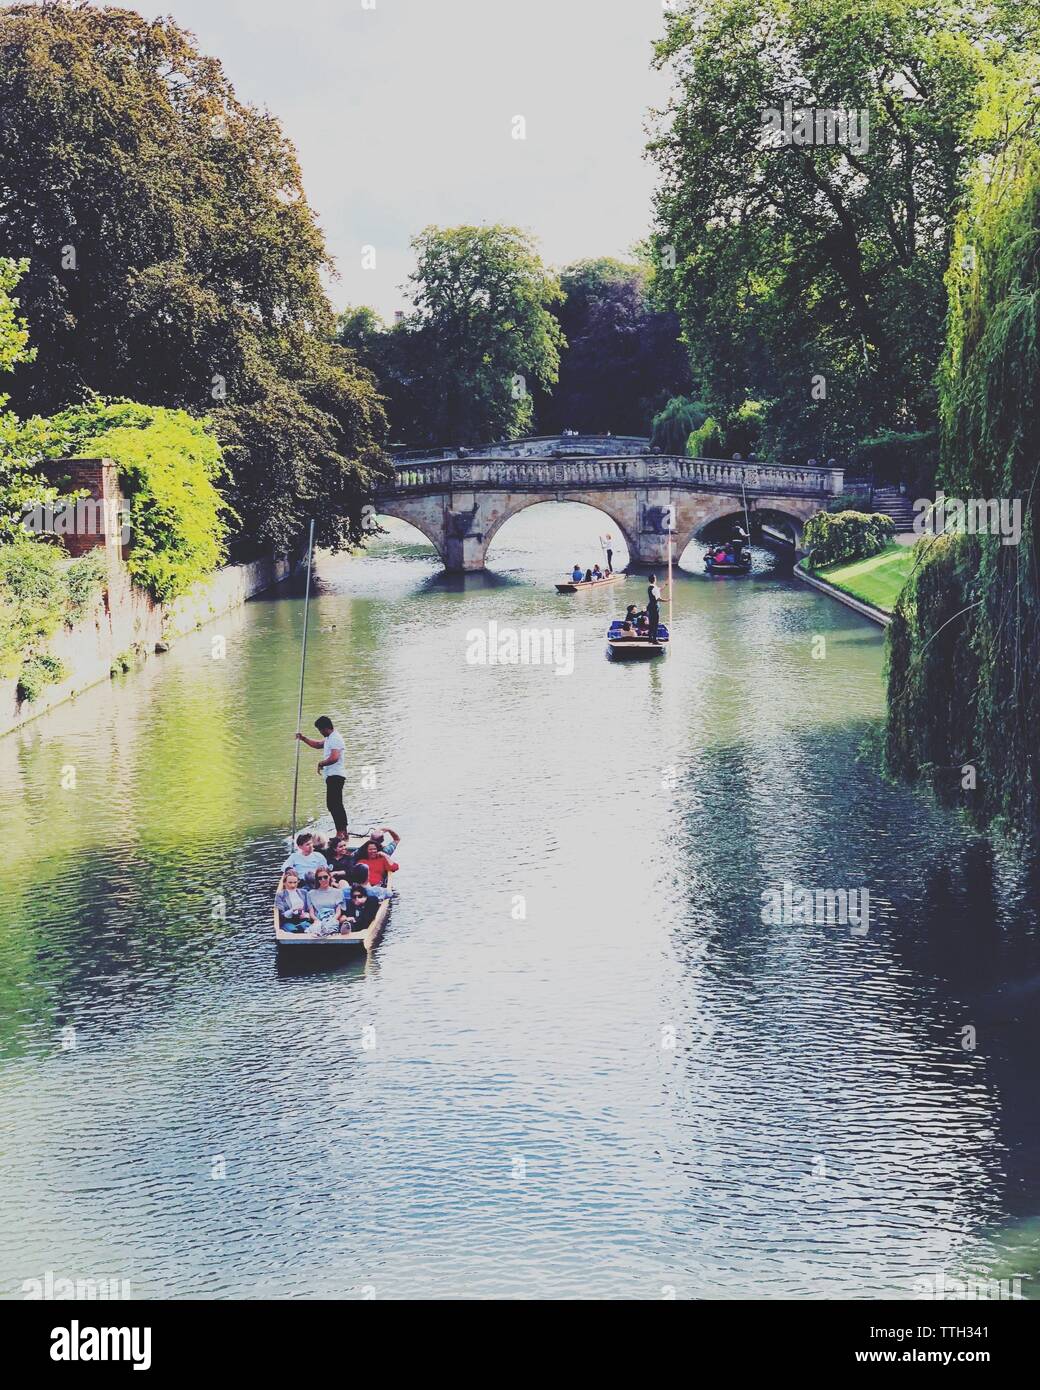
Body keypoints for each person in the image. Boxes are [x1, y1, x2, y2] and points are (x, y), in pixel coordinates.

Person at [295, 715, 348, 835]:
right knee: (333, 804)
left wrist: (321, 763)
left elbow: (335, 757)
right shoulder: (330, 738)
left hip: (336, 775)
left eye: (320, 730)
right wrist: (303, 738)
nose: (320, 732)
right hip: (331, 776)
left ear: (325, 728)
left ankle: (341, 832)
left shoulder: (335, 738)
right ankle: (342, 831)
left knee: (334, 804)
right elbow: (318, 744)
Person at [307, 866, 345, 936]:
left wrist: (333, 920)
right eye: (320, 878)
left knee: (331, 926)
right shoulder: (310, 894)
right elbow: (311, 913)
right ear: (317, 879)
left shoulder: (338, 892)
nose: (323, 880)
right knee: (317, 928)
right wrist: (316, 920)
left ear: (329, 876)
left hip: (333, 918)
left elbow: (338, 912)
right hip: (318, 919)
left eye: (325, 877)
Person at [274, 868, 314, 933]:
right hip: (289, 921)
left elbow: (310, 908)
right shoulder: (280, 895)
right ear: (284, 883)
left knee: (307, 928)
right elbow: (282, 915)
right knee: (294, 930)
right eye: (290, 882)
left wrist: (307, 915)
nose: (293, 885)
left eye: (295, 882)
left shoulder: (304, 892)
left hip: (303, 920)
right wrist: (292, 910)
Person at [647, 573, 664, 645]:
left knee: (651, 623)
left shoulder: (650, 587)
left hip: (650, 606)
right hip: (654, 607)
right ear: (655, 579)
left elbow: (658, 590)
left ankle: (650, 638)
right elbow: (658, 598)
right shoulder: (655, 588)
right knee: (655, 624)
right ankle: (654, 640)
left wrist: (665, 586)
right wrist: (668, 600)